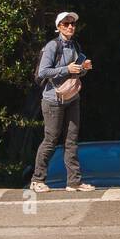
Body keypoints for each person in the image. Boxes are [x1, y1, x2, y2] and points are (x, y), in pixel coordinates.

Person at [30, 12, 94, 192]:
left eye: (72, 23)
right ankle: (37, 180)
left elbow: (76, 72)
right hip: (53, 99)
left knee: (71, 140)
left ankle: (74, 182)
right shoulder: (52, 46)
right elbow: (43, 72)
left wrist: (83, 69)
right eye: (66, 24)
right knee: (51, 139)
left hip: (72, 97)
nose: (70, 27)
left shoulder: (75, 45)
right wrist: (67, 68)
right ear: (58, 27)